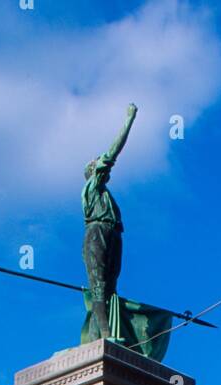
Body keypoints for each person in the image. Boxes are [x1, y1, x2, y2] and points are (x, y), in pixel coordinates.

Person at [82, 103, 137, 339]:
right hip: (97, 233)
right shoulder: (93, 187)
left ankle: (102, 332)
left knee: (110, 289)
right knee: (100, 287)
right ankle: (104, 334)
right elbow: (113, 152)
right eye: (98, 163)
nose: (102, 163)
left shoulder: (105, 195)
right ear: (94, 171)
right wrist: (129, 120)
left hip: (112, 234)